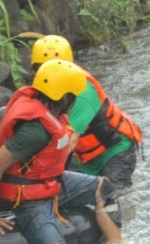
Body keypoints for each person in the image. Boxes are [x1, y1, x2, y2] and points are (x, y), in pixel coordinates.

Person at [0, 59, 124, 244]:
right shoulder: (35, 131)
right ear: (63, 97)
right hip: (27, 199)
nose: (75, 100)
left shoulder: (50, 112)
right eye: (73, 96)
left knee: (105, 188)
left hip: (50, 182)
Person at [30, 35, 142, 189]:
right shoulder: (44, 87)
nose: (48, 74)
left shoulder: (82, 92)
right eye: (41, 68)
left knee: (110, 195)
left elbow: (70, 141)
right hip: (84, 155)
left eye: (54, 68)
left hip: (115, 149)